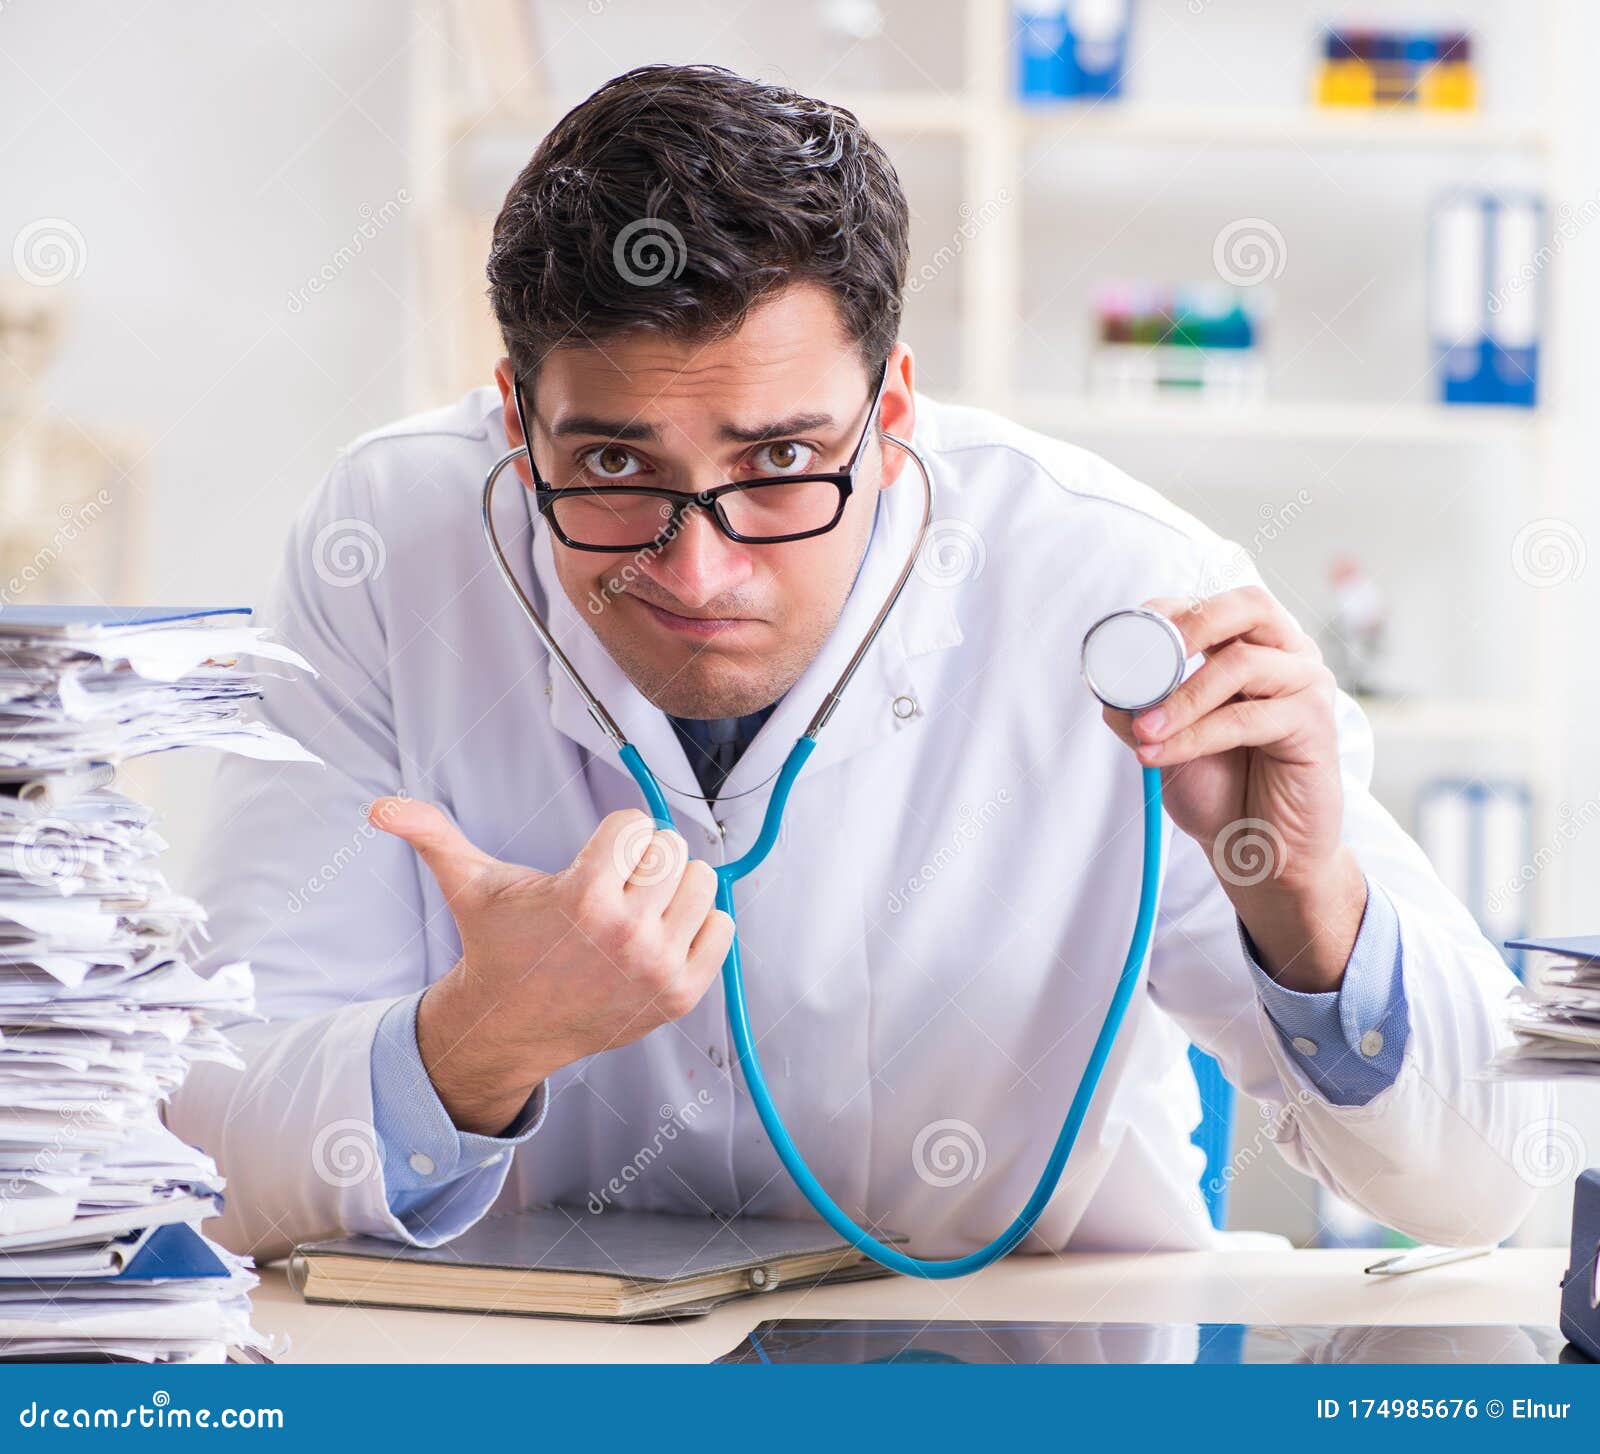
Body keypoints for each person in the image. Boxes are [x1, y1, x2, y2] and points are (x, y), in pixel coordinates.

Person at [168, 64, 1550, 1262]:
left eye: (778, 465)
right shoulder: (388, 546)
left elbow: (1486, 1183)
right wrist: (476, 1039)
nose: (698, 571)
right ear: (513, 413)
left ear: (891, 410)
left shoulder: (1124, 597)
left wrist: (1307, 908)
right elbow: (208, 1141)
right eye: (609, 465)